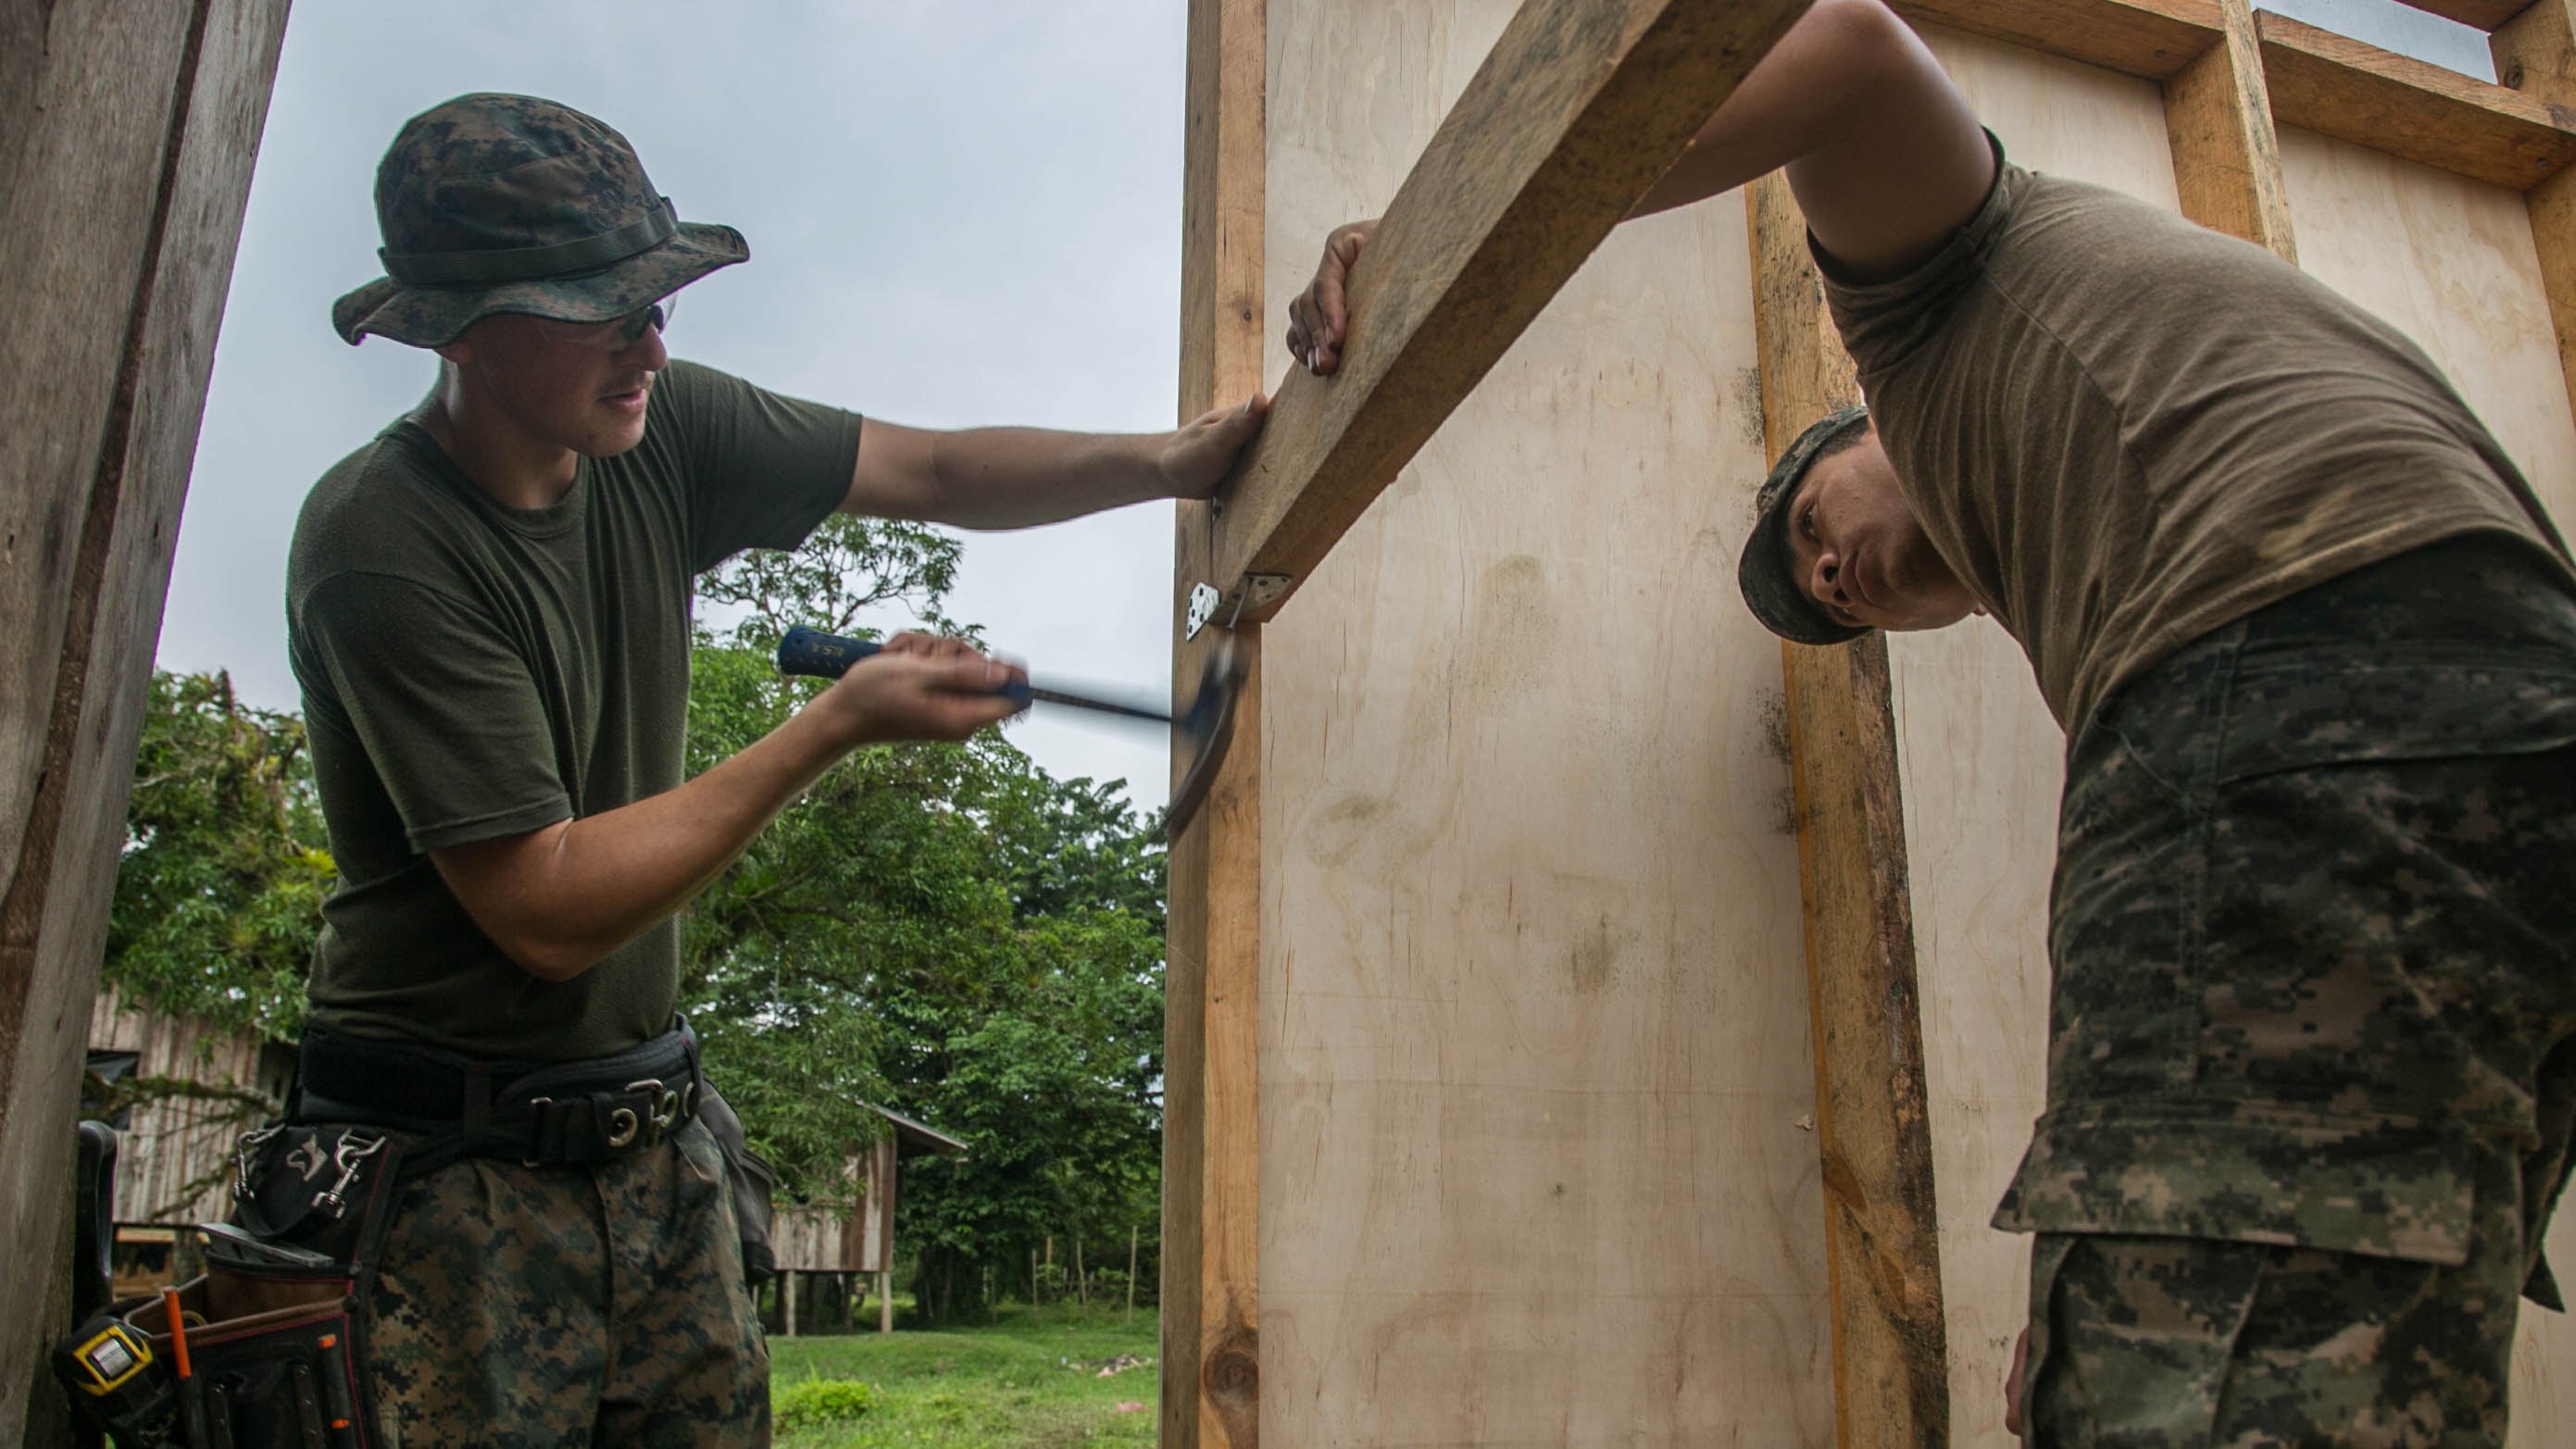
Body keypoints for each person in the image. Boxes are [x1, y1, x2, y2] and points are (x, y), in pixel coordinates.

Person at [1284, 1, 2576, 1441]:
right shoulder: (2082, 529)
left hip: (2304, 658)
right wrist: (2098, 1287)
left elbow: (1846, 44)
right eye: (1829, 603)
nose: (1834, 578)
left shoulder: (1918, 320)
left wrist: (1440, 234)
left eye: (1810, 531)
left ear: (1861, 426)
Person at [284, 93, 1263, 1443]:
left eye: (654, 302)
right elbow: (545, 908)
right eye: (598, 310)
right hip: (448, 1182)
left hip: (648, 1136)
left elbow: (932, 468)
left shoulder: (658, 426)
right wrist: (832, 726)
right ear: (457, 324)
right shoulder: (380, 543)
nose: (648, 344)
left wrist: (1168, 461)